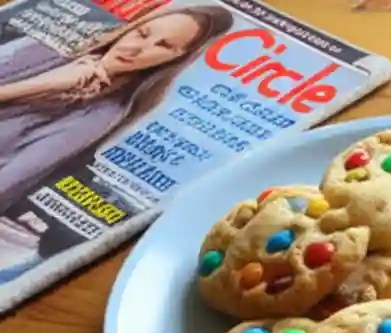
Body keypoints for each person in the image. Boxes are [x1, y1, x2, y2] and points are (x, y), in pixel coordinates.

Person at [0, 5, 233, 215]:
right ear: (135, 25)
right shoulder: (43, 49)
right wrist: (39, 84)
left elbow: (10, 181)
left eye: (163, 45)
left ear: (177, 57)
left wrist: (49, 84)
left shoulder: (102, 113)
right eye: (142, 33)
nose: (136, 49)